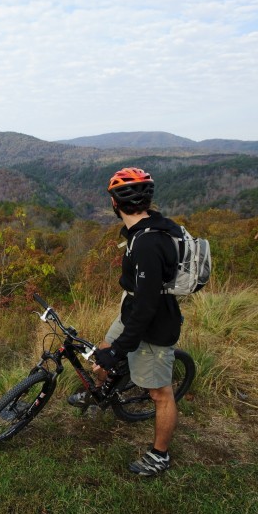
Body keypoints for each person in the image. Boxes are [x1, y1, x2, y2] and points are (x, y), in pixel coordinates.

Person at [69, 167, 184, 477]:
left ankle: (160, 455)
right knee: (104, 347)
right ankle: (99, 391)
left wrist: (120, 351)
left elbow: (148, 308)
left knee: (160, 393)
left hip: (155, 324)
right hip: (134, 308)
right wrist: (114, 349)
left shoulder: (147, 244)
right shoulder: (149, 228)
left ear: (115, 205)